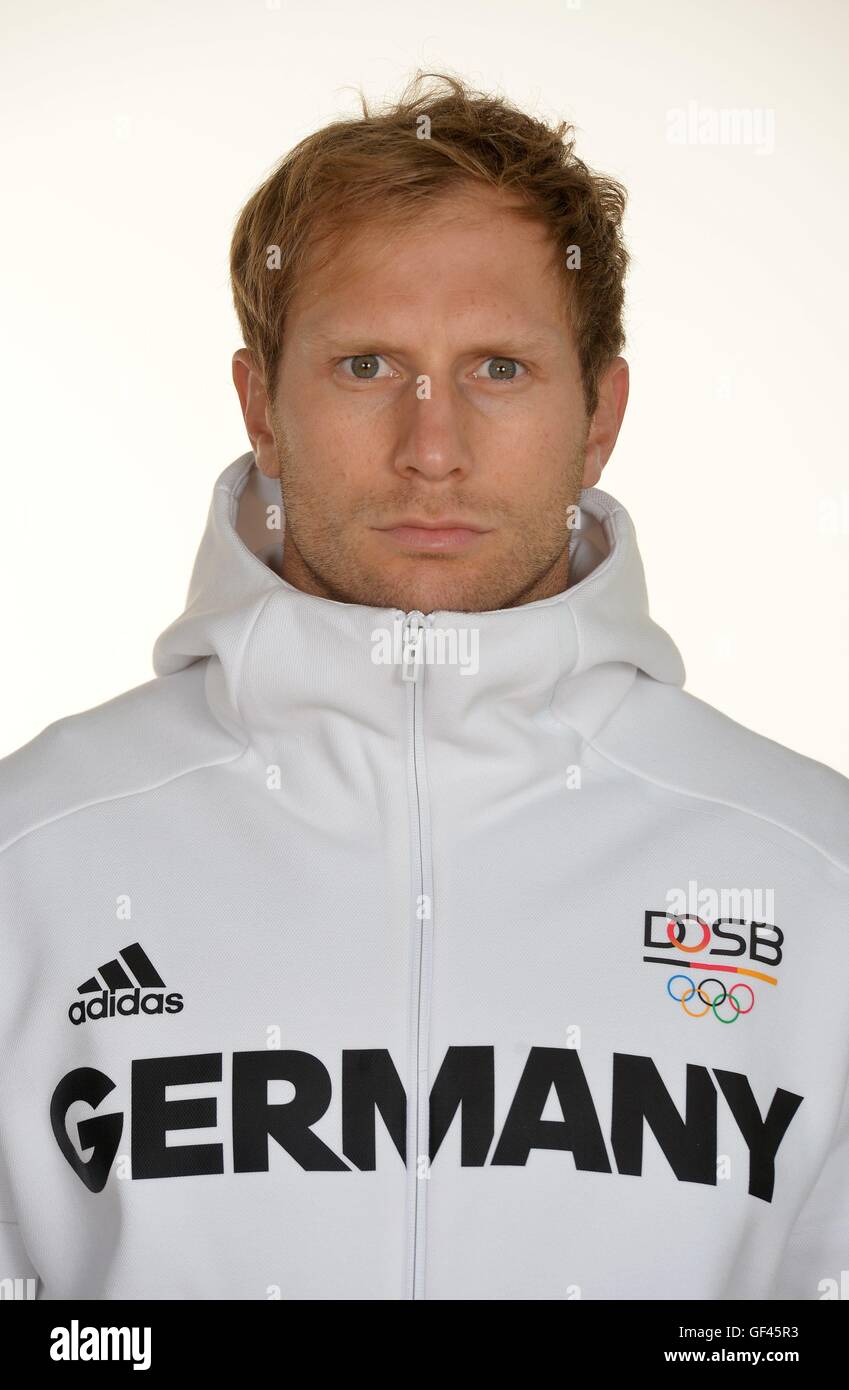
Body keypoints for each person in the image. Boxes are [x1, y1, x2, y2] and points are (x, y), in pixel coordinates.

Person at [1, 71, 847, 1303]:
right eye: (364, 366)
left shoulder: (814, 879)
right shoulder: (32, 865)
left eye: (498, 368)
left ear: (600, 415)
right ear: (263, 409)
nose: (431, 448)